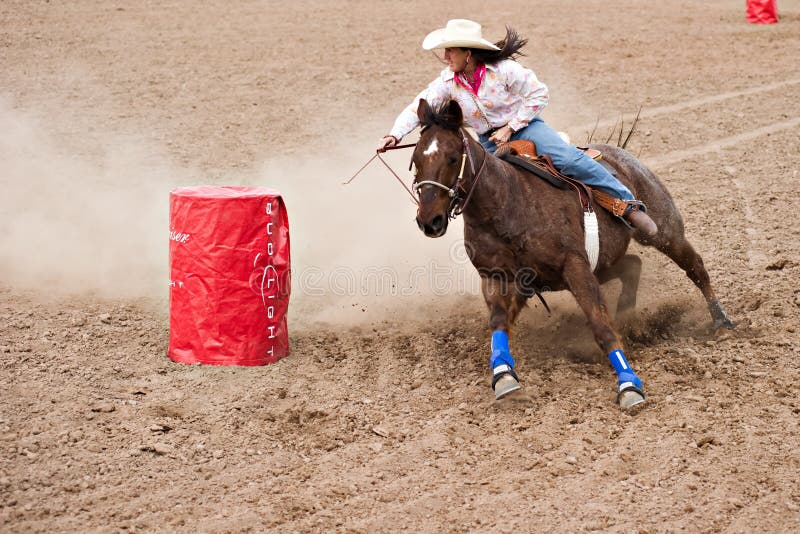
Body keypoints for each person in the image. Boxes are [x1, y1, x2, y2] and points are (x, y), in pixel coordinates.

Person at [378, 19, 657, 235]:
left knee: (568, 159)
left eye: (451, 50)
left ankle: (628, 205)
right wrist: (394, 134)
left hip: (526, 129)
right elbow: (418, 106)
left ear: (468, 52)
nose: (445, 56)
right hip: (487, 141)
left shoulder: (504, 71)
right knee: (470, 188)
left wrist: (511, 127)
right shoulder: (446, 83)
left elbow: (539, 94)